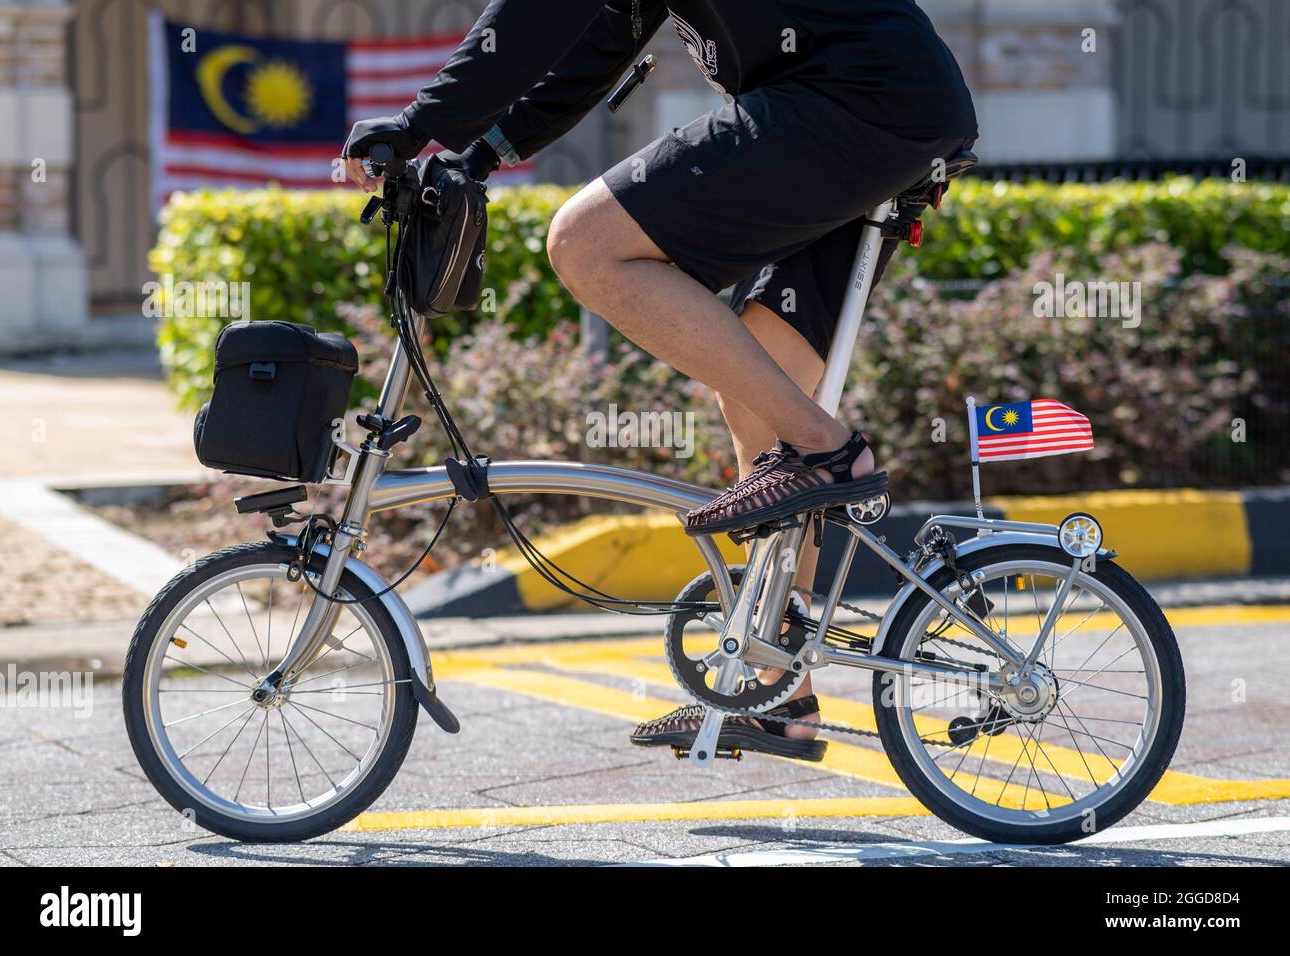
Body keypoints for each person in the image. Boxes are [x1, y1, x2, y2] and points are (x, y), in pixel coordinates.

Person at [342, 0, 977, 761]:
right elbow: (603, 37)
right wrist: (486, 151)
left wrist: (416, 123)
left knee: (585, 243)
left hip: (849, 101)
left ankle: (830, 451)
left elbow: (534, 18)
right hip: (880, 109)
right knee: (757, 382)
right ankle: (777, 689)